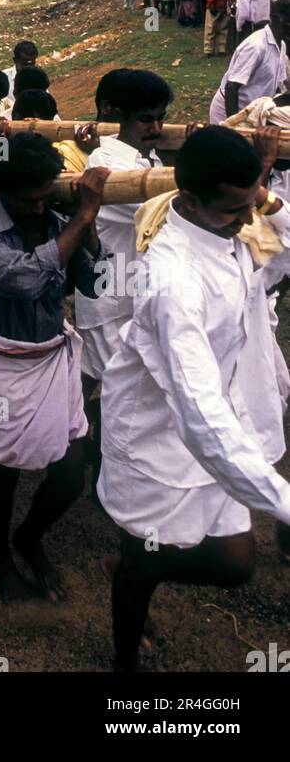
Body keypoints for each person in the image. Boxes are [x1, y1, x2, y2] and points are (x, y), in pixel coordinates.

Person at [99, 127, 290, 672]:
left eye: (251, 203)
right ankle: (124, 673)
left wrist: (264, 196)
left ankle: (133, 566)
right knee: (145, 559)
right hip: (160, 437)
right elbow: (197, 406)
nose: (247, 218)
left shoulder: (231, 226)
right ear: (192, 198)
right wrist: (282, 502)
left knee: (235, 565)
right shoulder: (173, 279)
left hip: (217, 431)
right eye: (234, 209)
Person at [0, 135, 108, 600]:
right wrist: (79, 219)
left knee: (70, 472)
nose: (42, 208)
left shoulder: (59, 220)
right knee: (4, 468)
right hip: (3, 363)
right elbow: (21, 280)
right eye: (31, 200)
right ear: (1, 191)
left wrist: (89, 228)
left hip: (51, 356)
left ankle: (29, 537)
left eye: (49, 197)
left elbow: (96, 285)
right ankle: (0, 554)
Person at [73, 69, 172, 486]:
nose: (156, 128)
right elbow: (149, 210)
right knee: (111, 385)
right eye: (146, 120)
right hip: (109, 294)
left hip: (134, 295)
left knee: (101, 380)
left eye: (160, 119)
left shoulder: (150, 160)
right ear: (124, 120)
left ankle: (79, 453)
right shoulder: (106, 161)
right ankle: (81, 457)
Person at [209, 0, 290, 123]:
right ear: (278, 19)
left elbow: (277, 86)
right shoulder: (256, 46)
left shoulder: (281, 45)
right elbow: (231, 88)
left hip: (252, 114)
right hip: (229, 112)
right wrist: (234, 126)